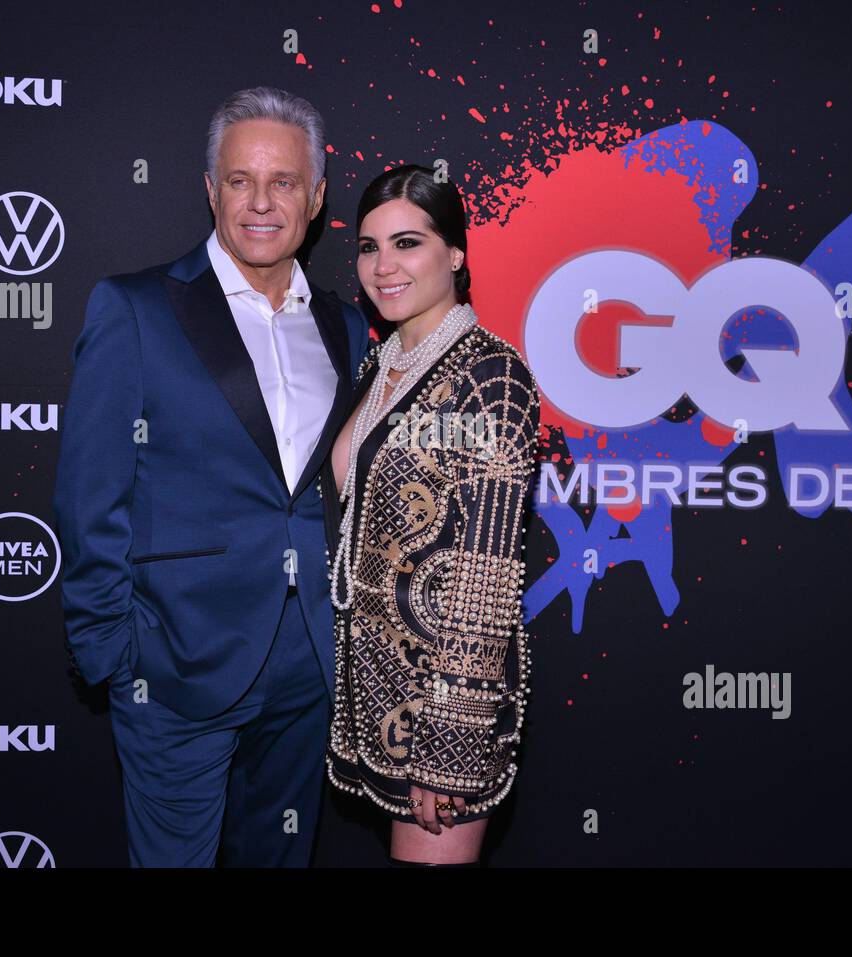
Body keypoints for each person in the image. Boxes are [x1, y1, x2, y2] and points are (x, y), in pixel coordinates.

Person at [53, 86, 369, 867]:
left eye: (284, 182)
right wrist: (114, 652)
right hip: (176, 664)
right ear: (210, 188)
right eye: (239, 180)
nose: (261, 202)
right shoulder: (134, 309)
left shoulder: (349, 325)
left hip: (309, 667)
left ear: (318, 196)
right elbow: (90, 497)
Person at [326, 165, 541, 866]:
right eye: (368, 246)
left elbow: (486, 575)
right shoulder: (383, 363)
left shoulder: (491, 377)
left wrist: (449, 743)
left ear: (456, 254)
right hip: (378, 694)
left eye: (408, 243)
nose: (383, 267)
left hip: (444, 706)